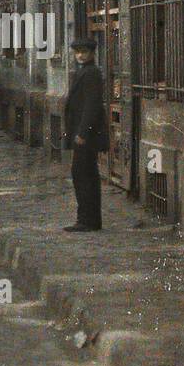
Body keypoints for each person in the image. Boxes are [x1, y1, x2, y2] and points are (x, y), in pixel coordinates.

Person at [62, 35, 108, 232]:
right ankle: (88, 219)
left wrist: (82, 133)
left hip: (86, 136)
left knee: (83, 175)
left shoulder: (91, 74)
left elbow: (91, 106)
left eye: (84, 52)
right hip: (83, 134)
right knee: (84, 174)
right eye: (77, 52)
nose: (80, 55)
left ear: (91, 53)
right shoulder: (84, 72)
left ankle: (87, 221)